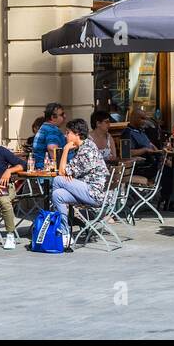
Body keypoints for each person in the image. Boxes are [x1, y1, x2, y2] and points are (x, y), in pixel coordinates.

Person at [50, 118, 109, 248]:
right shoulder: (85, 146)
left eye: (68, 133)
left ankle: (55, 225)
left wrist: (65, 150)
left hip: (94, 194)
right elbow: (66, 172)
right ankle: (65, 234)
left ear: (76, 134)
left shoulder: (86, 150)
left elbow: (61, 172)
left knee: (58, 180)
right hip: (87, 190)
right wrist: (67, 175)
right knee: (57, 195)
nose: (66, 135)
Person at [32, 103, 67, 169]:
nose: (65, 116)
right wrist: (61, 168)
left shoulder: (45, 127)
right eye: (62, 114)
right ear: (52, 117)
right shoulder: (52, 130)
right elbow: (52, 148)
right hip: (47, 171)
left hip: (40, 168)